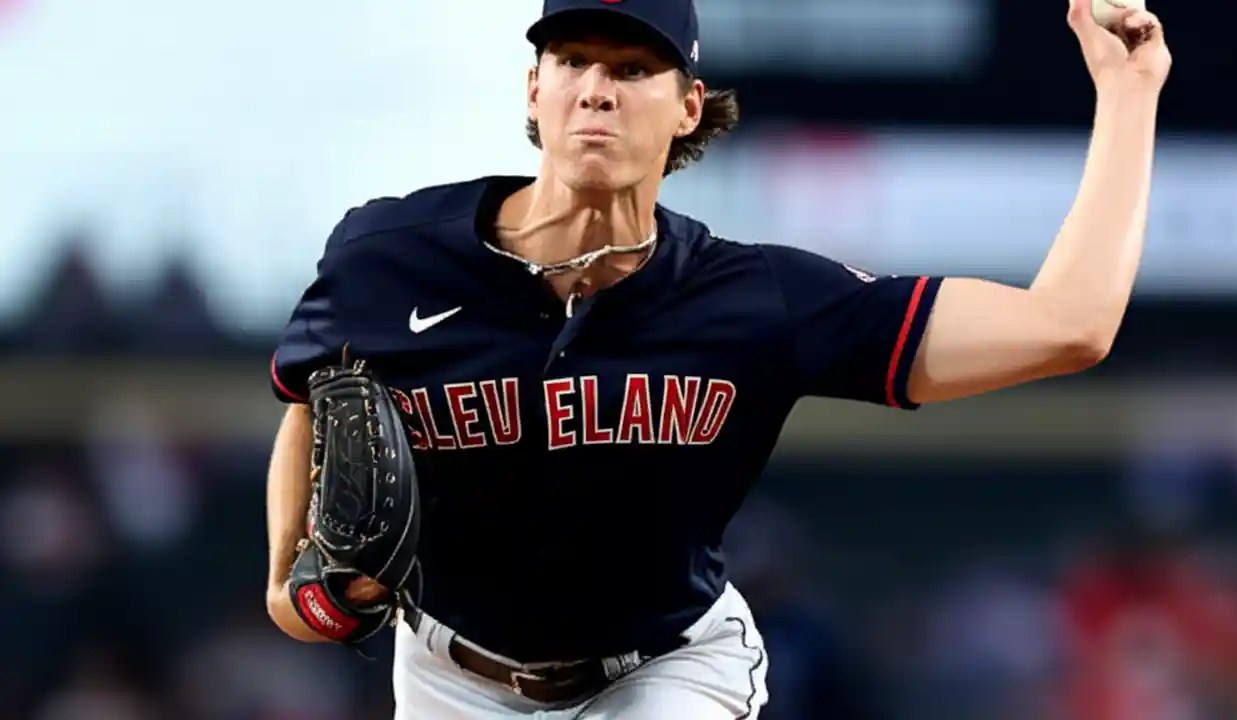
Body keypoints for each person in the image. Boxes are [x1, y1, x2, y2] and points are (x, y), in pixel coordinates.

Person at [263, 0, 1172, 717]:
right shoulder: (389, 254)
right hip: (447, 677)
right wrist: (284, 583)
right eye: (571, 61)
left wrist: (1129, 94)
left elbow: (1069, 325)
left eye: (631, 68)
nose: (596, 88)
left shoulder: (755, 302)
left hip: (664, 674)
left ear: (689, 105)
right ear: (532, 88)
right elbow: (314, 395)